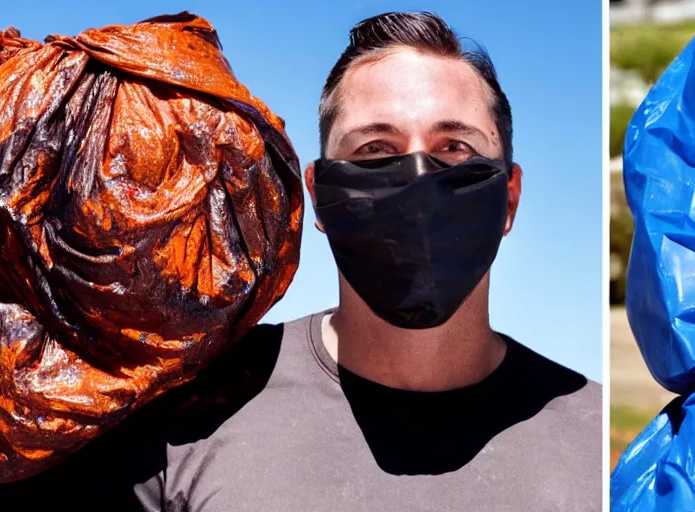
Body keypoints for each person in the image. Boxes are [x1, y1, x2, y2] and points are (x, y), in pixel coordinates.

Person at [130, 11, 602, 512]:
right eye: (376, 148)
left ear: (509, 197)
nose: (418, 175)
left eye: (455, 147)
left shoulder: (594, 446)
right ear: (319, 195)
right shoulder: (189, 408)